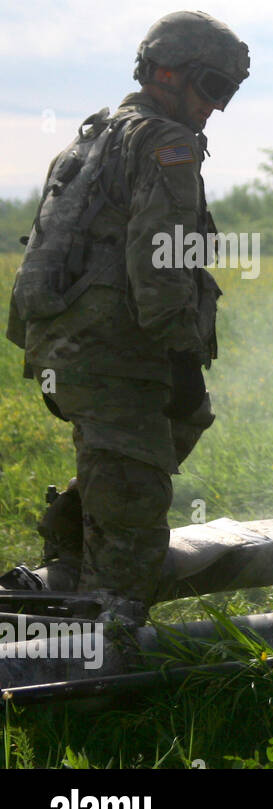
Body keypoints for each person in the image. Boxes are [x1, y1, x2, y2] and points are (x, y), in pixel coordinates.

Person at [3, 11, 250, 621]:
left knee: (154, 442)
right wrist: (181, 356)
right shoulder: (167, 143)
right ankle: (100, 646)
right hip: (117, 356)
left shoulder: (90, 139)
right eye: (210, 87)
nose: (215, 107)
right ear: (164, 73)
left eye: (228, 93)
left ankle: (70, 553)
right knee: (133, 535)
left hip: (65, 352)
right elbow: (161, 260)